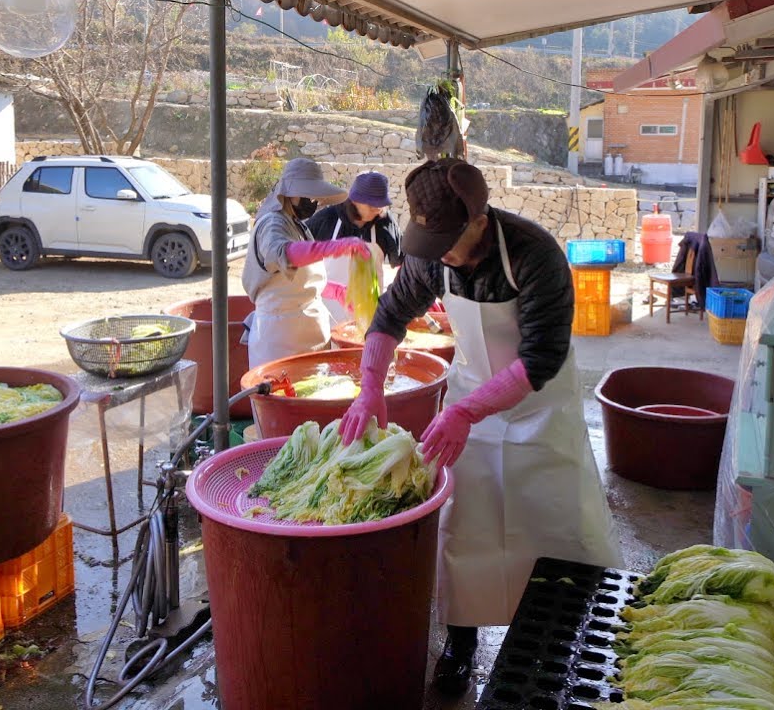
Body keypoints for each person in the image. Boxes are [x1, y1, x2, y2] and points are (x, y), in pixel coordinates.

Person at [339, 158, 623, 695]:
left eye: (448, 237)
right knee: (465, 523)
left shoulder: (534, 254)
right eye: (429, 237)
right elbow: (389, 317)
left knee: (554, 521)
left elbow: (539, 359)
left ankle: (561, 637)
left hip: (542, 408)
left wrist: (465, 413)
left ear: (478, 218)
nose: (438, 249)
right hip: (469, 397)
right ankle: (462, 642)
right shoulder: (433, 259)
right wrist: (370, 385)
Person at [241, 157, 368, 369]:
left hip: (311, 334)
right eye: (307, 196)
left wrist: (337, 292)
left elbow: (298, 284)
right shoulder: (272, 223)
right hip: (280, 339)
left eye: (315, 198)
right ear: (289, 194)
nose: (312, 202)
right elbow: (283, 253)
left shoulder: (298, 226)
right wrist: (335, 247)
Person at [305, 171, 403, 324]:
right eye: (371, 205)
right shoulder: (328, 218)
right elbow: (298, 255)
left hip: (369, 311)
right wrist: (331, 289)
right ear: (355, 200)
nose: (377, 210)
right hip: (327, 311)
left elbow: (402, 263)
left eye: (380, 205)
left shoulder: (385, 223)